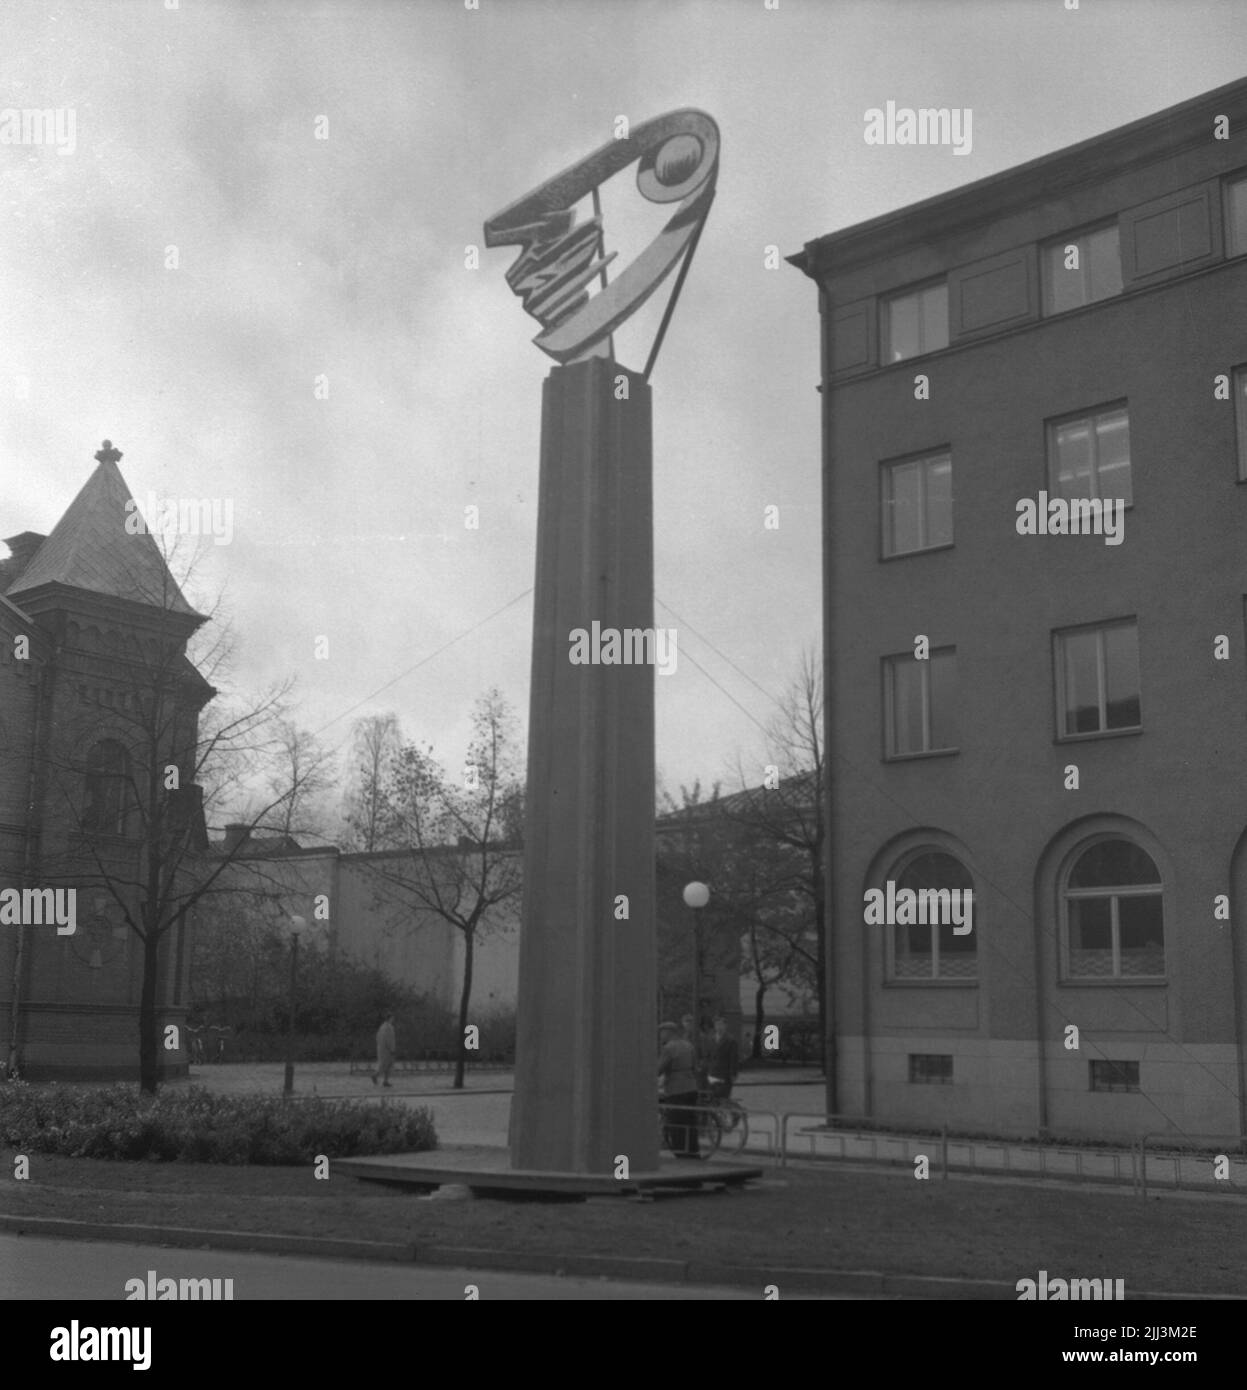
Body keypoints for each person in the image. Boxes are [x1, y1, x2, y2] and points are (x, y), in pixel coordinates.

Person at [658, 1020, 700, 1158]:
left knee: (676, 1123)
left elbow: (659, 1069)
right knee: (690, 1122)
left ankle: (681, 1153)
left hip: (676, 1090)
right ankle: (693, 1152)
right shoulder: (689, 1045)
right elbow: (695, 1067)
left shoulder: (668, 1048)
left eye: (662, 1033)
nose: (660, 1036)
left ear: (668, 1033)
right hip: (692, 1088)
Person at [707, 1015, 739, 1100]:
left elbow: (733, 1059)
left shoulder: (731, 1041)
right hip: (712, 1072)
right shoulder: (711, 1039)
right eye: (717, 1025)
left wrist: (733, 1074)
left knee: (723, 1097)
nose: (719, 1027)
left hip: (724, 1074)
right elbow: (708, 1056)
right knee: (712, 1097)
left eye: (721, 1025)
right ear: (714, 1026)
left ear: (725, 1026)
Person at [373, 1011, 396, 1087]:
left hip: (381, 1048)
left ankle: (385, 1081)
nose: (393, 1019)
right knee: (386, 1065)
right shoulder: (389, 1027)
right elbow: (390, 1040)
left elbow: (377, 1037)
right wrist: (392, 1049)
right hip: (387, 1050)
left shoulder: (382, 1027)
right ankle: (376, 1076)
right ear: (390, 1018)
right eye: (392, 1018)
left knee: (384, 1065)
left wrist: (380, 1045)